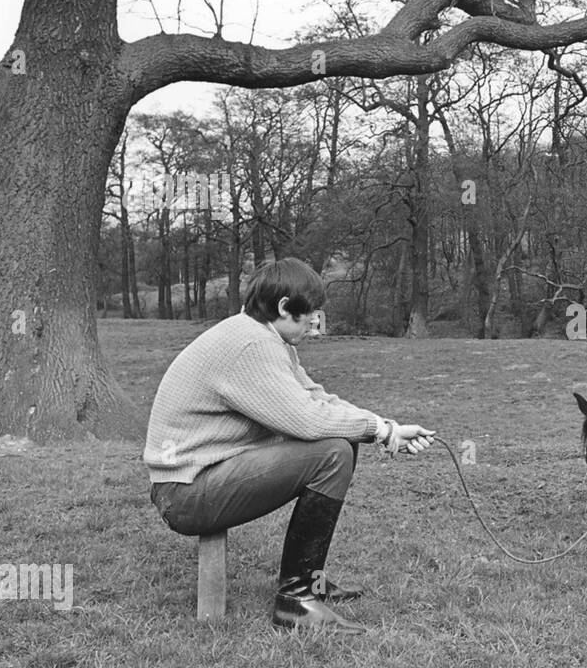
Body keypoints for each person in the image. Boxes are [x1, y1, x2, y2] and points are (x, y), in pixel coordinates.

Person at [143, 257, 434, 634]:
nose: (314, 322)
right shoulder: (250, 345)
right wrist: (378, 430)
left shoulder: (266, 338)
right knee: (331, 453)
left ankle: (308, 583)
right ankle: (296, 601)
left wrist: (388, 428)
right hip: (185, 493)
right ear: (283, 307)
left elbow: (318, 399)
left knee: (340, 441)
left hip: (200, 478)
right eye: (310, 313)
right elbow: (307, 420)